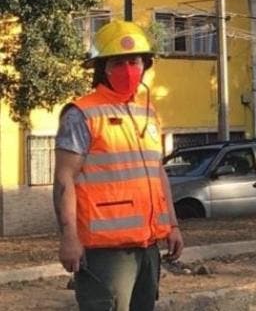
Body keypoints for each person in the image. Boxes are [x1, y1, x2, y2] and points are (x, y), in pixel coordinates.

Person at [54, 20, 184, 311]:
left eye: (134, 61)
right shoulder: (82, 113)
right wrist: (69, 238)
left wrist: (173, 225)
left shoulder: (147, 112)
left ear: (145, 64)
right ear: (102, 67)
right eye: (118, 62)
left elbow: (157, 173)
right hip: (104, 253)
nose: (128, 69)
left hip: (148, 248)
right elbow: (64, 179)